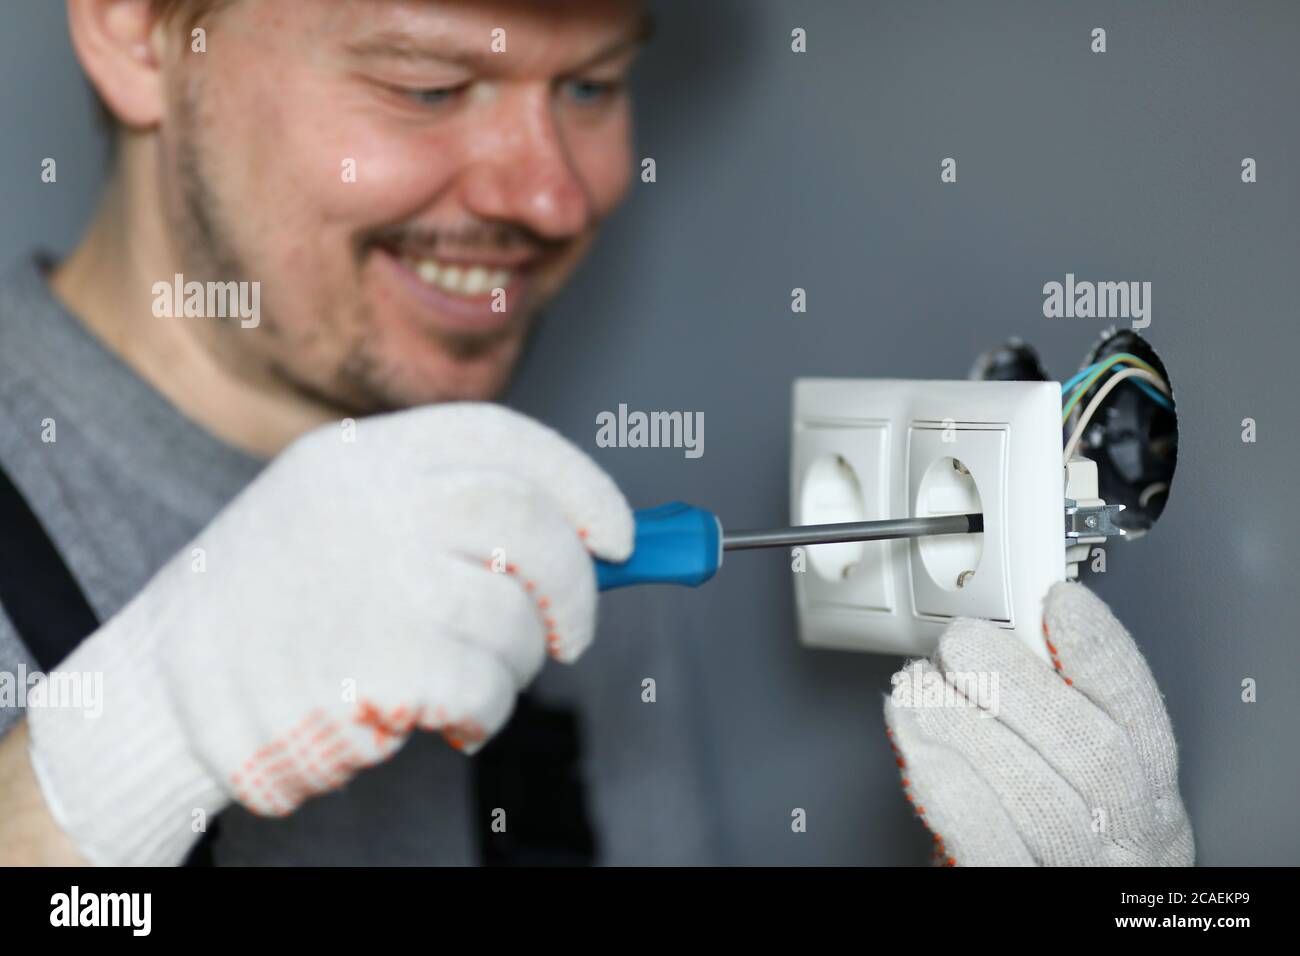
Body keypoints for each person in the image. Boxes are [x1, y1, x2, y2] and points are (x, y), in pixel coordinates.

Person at [0, 0, 1192, 866]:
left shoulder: (575, 562)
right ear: (134, 31)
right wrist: (87, 788)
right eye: (427, 85)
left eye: (590, 85)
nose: (551, 197)